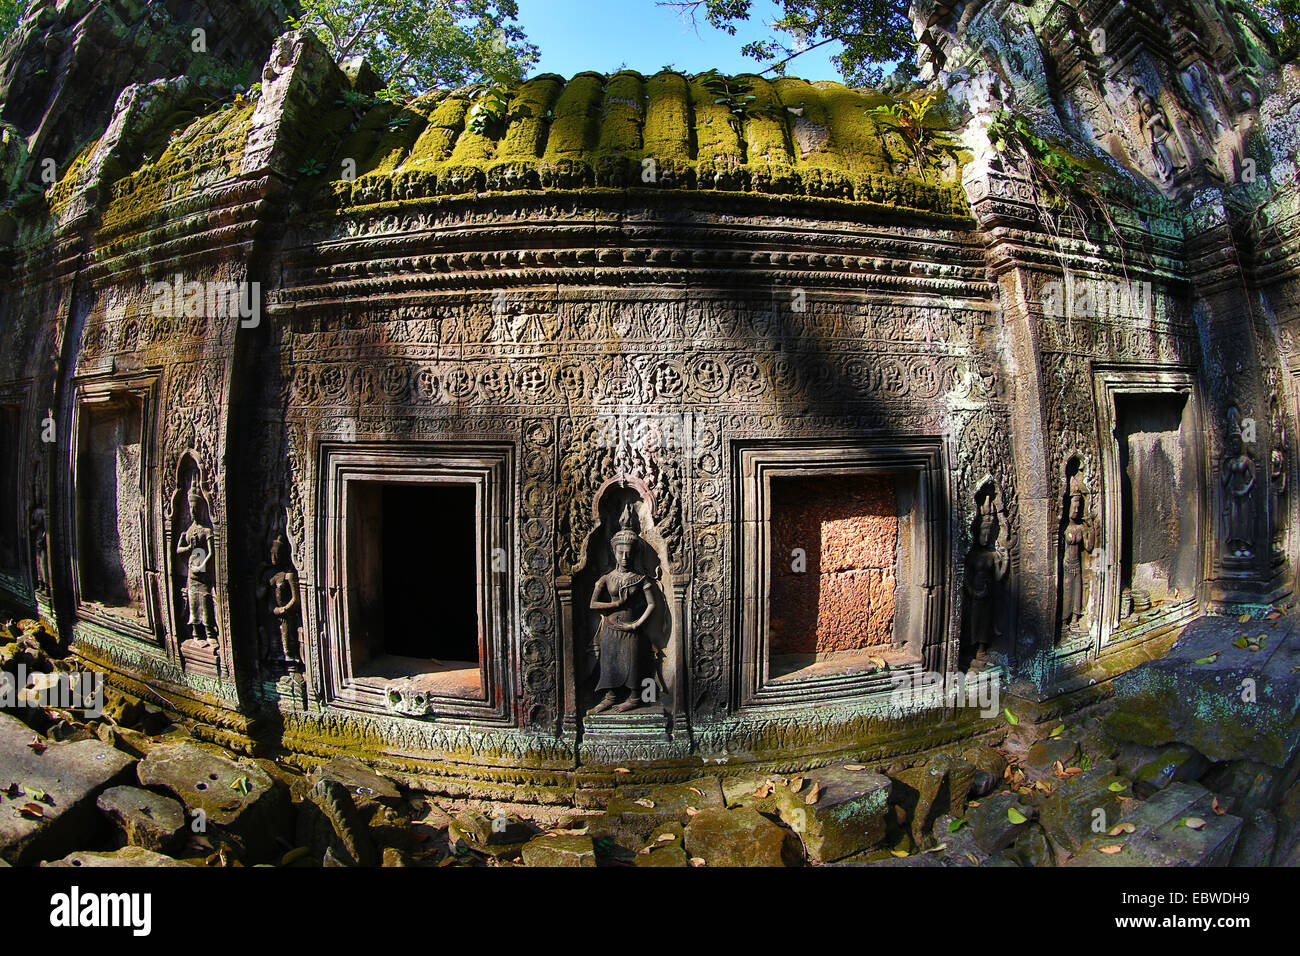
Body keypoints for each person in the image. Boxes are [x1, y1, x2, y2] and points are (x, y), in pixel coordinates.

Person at [588, 517, 658, 714]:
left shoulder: (640, 578)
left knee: (634, 662)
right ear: (614, 552)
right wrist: (616, 604)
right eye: (621, 553)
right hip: (610, 629)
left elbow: (652, 605)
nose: (625, 557)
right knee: (609, 662)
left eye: (629, 553)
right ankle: (610, 696)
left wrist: (636, 625)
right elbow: (593, 604)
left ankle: (635, 697)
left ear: (634, 553)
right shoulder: (606, 578)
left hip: (633, 629)